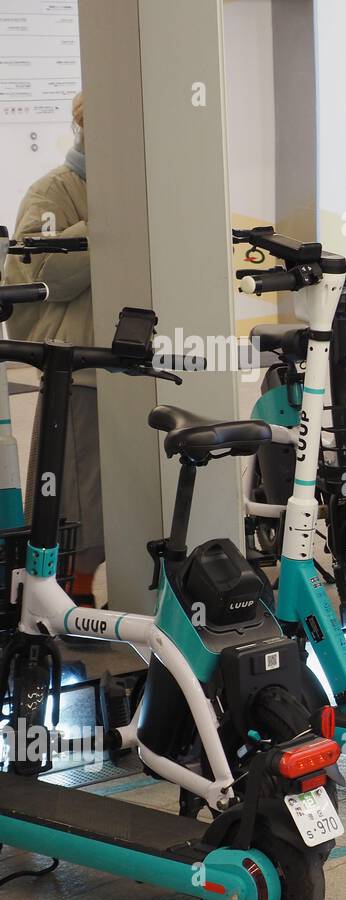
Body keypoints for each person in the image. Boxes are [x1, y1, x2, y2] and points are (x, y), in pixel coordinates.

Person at [1, 91, 100, 605]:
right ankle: (70, 595)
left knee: (113, 492)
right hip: (78, 369)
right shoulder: (52, 192)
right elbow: (40, 271)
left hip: (127, 362)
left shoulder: (133, 188)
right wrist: (103, 226)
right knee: (76, 494)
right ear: (85, 129)